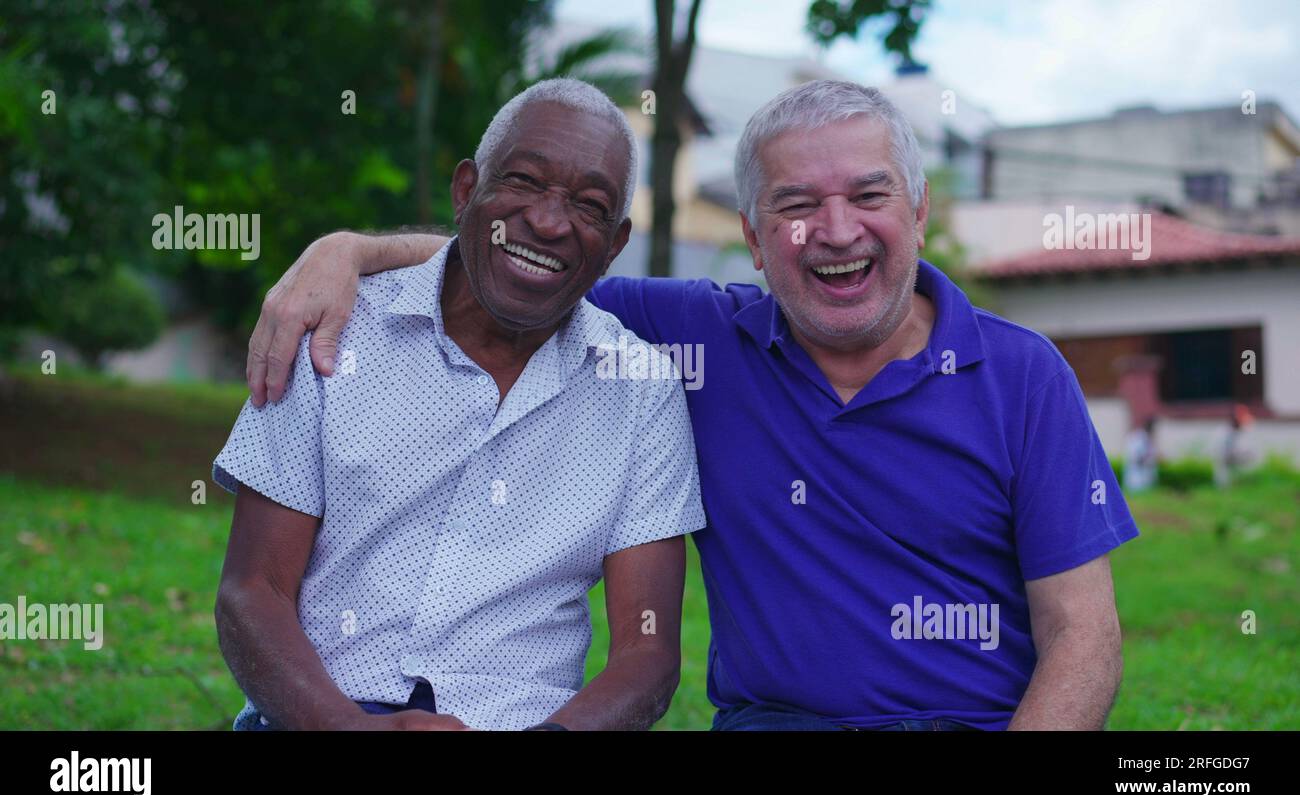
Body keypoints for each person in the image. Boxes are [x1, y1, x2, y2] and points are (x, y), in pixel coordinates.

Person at [246, 80, 1139, 730]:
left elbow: (1083, 635)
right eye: (795, 205)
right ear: (752, 237)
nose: (835, 230)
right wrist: (349, 250)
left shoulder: (1025, 375)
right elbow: (524, 257)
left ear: (918, 209)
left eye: (868, 195)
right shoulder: (695, 343)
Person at [213, 79, 706, 731]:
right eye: (524, 181)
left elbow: (647, 655)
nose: (549, 222)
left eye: (589, 206)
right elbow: (253, 591)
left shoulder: (641, 388)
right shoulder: (334, 330)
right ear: (466, 190)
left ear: (614, 244)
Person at [1124, 417, 1158, 493]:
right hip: (1137, 472)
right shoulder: (1139, 438)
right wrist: (1147, 458)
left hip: (1143, 471)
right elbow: (1135, 455)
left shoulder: (1146, 438)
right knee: (1137, 489)